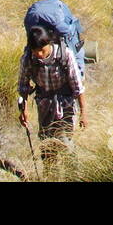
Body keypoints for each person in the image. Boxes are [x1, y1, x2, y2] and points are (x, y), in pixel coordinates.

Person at [17, 24, 87, 160]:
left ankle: (72, 175)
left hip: (66, 105)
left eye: (42, 50)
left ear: (49, 43)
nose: (39, 54)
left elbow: (77, 85)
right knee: (46, 144)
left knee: (66, 143)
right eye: (35, 50)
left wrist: (84, 112)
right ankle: (50, 175)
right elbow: (23, 86)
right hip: (44, 106)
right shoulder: (28, 59)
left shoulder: (65, 54)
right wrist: (23, 110)